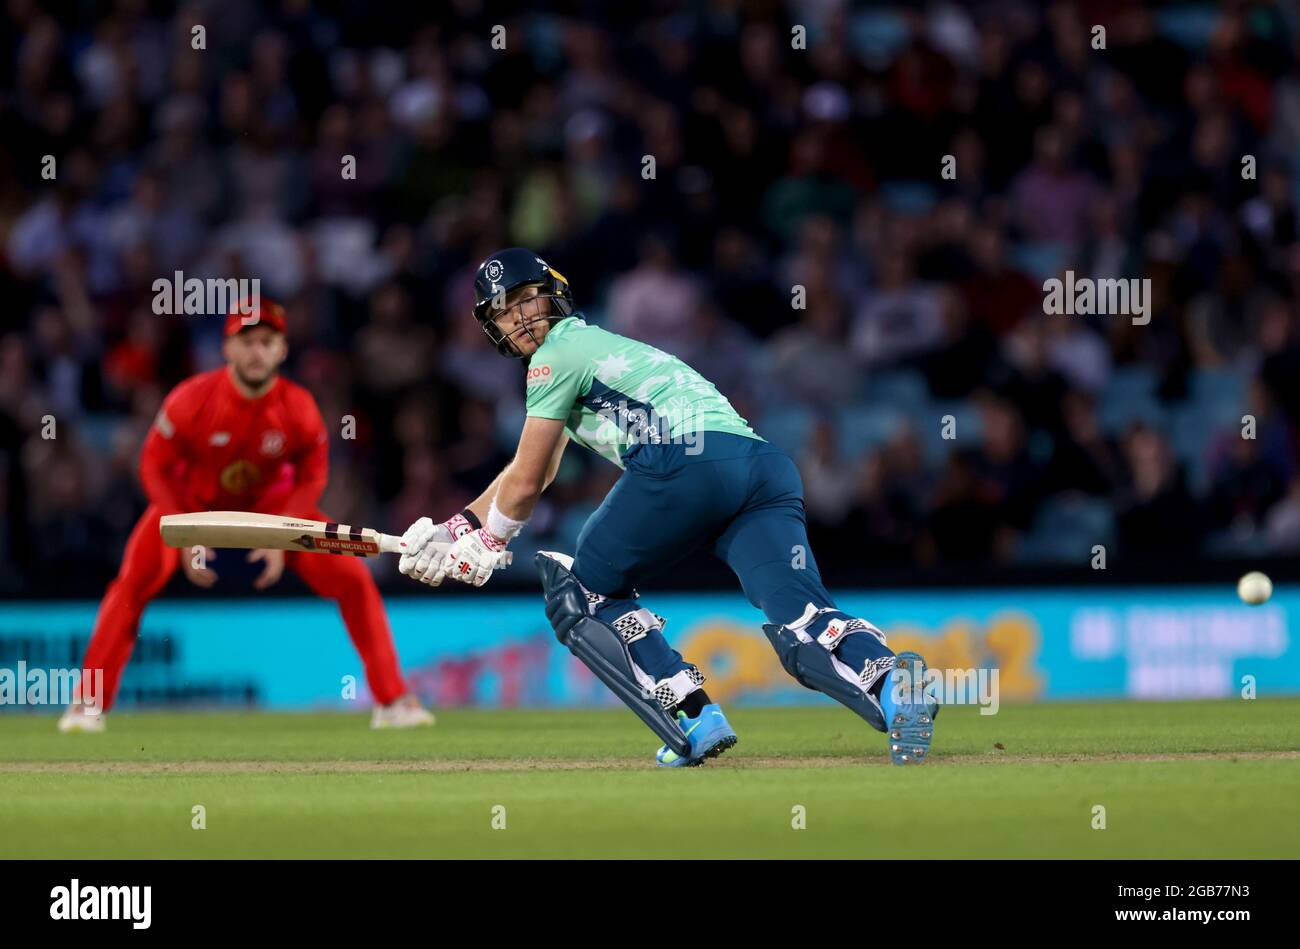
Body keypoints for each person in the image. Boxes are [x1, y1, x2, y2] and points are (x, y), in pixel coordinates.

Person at [397, 249, 937, 766]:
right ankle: (894, 688)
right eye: (501, 311)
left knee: (583, 592)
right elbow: (528, 473)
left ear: (553, 294)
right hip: (761, 468)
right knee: (800, 621)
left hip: (684, 462)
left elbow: (528, 480)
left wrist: (491, 543)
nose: (515, 319)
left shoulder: (553, 359)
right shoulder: (590, 349)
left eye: (523, 300)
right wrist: (458, 526)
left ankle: (694, 717)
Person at [58, 299, 433, 732]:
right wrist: (184, 530)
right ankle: (87, 707)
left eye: (267, 342)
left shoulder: (298, 408)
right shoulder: (191, 400)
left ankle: (393, 701)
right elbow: (153, 466)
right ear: (227, 349)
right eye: (247, 341)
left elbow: (313, 477)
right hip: (192, 509)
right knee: (129, 588)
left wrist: (285, 534)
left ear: (282, 351)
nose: (257, 351)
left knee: (353, 581)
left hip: (274, 514)